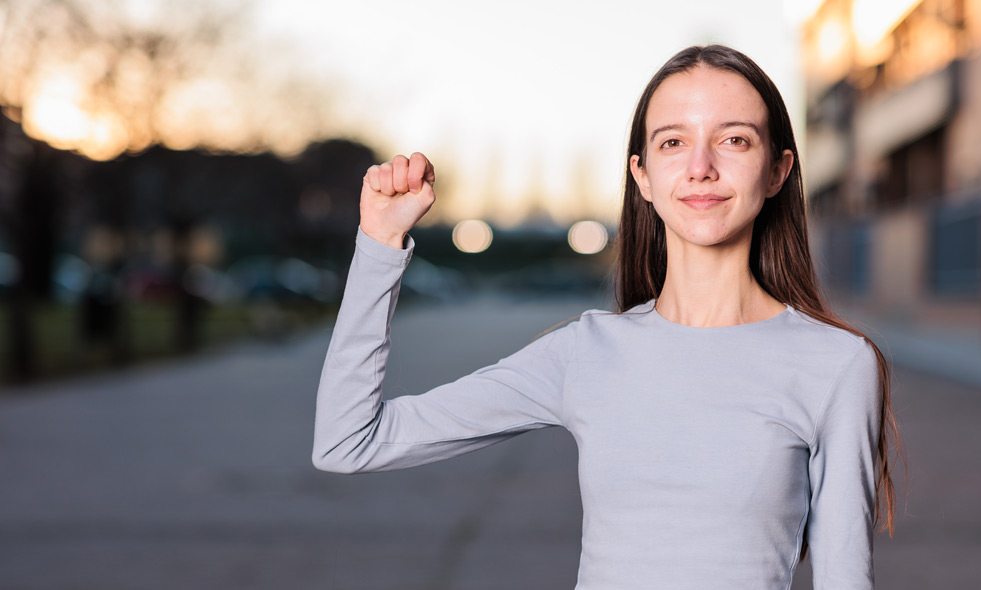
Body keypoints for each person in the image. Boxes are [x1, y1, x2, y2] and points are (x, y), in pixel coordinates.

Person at [313, 44, 899, 590]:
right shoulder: (584, 353)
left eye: (735, 140)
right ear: (642, 176)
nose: (700, 166)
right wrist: (380, 245)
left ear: (777, 170)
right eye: (673, 142)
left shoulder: (837, 365)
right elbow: (348, 442)